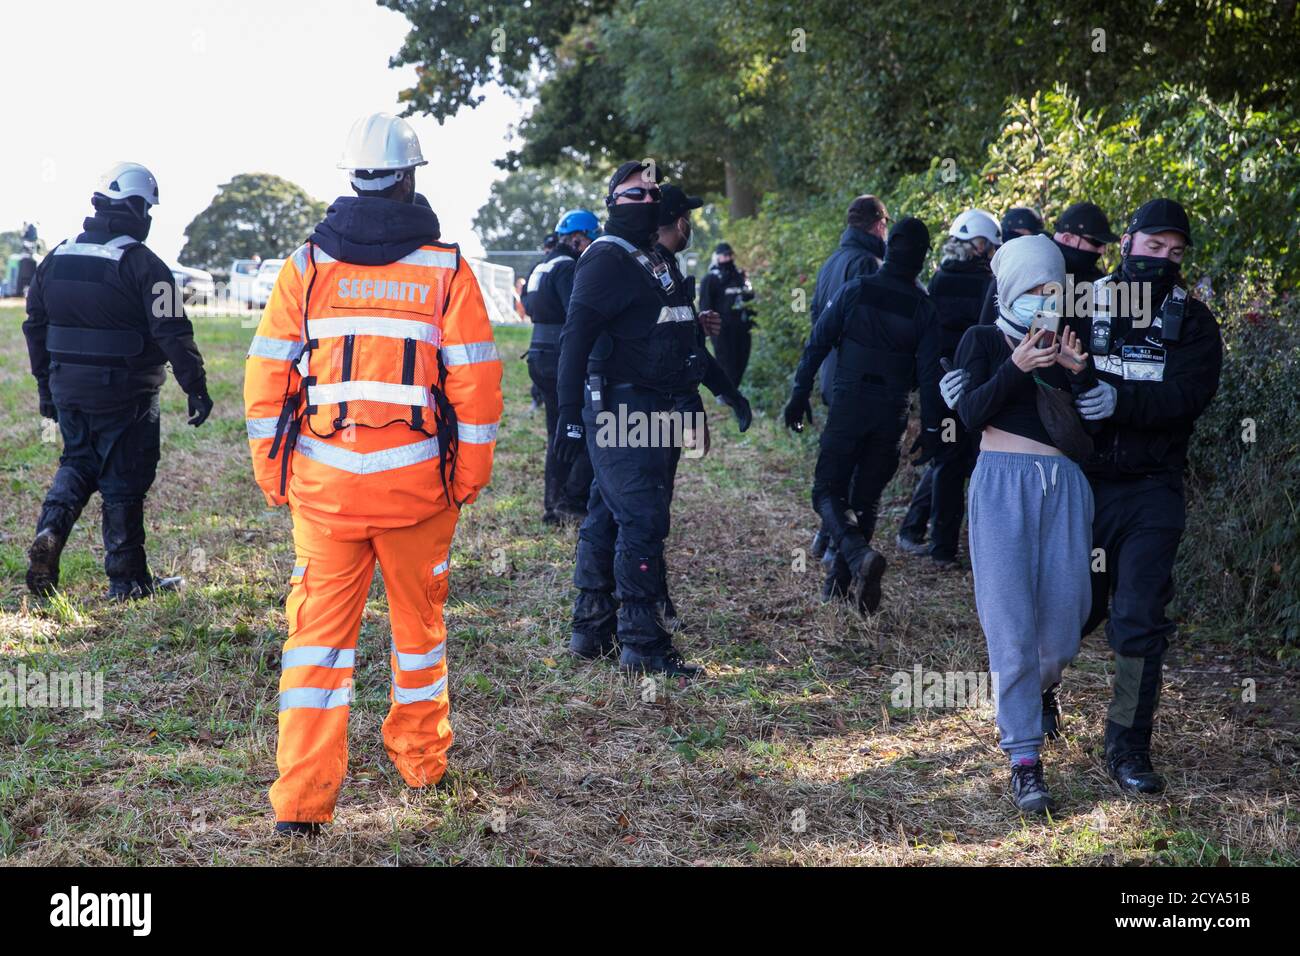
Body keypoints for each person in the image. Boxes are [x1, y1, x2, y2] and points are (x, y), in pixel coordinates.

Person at [243, 113, 503, 835]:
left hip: (324, 497)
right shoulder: (446, 269)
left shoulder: (307, 267)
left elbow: (266, 382)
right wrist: (466, 480)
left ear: (351, 178)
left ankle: (300, 806)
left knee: (317, 648)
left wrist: (275, 476)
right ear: (411, 177)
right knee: (419, 633)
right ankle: (423, 764)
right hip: (420, 495)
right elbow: (475, 390)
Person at [1075, 199, 1222, 793]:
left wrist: (1120, 403)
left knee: (1138, 619)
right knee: (1071, 611)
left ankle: (1128, 746)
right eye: (1154, 246)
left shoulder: (1194, 321)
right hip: (1081, 484)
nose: (1164, 259)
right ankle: (1040, 702)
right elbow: (1038, 360)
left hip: (1151, 492)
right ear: (1129, 241)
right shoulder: (1085, 300)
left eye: (1177, 252)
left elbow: (1188, 397)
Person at [952, 233, 1095, 814]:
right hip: (1001, 483)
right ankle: (1025, 759)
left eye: (1053, 289)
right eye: (1034, 289)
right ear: (1010, 287)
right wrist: (1015, 366)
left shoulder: (1070, 342)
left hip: (1065, 488)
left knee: (1063, 630)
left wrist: (1080, 375)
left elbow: (1095, 434)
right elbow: (968, 414)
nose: (1044, 299)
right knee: (1010, 627)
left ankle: (1030, 693)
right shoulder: (982, 339)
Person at [22, 162, 211, 600]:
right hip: (128, 397)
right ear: (136, 208)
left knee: (77, 464)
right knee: (124, 482)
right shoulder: (147, 266)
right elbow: (173, 333)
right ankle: (127, 581)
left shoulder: (56, 257)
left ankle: (50, 530)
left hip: (68, 391)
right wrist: (195, 386)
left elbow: (35, 327)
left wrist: (45, 390)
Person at [553, 162, 708, 677]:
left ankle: (591, 626)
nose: (647, 199)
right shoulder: (605, 257)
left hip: (653, 404)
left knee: (607, 512)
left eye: (653, 192)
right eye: (634, 193)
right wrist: (570, 418)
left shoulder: (651, 258)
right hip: (620, 407)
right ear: (612, 200)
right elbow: (574, 338)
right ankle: (642, 644)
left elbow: (674, 334)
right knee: (642, 518)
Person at [783, 217, 942, 611]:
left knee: (827, 491)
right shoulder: (924, 307)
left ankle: (854, 557)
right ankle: (843, 589)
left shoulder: (856, 290)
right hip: (892, 412)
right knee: (865, 500)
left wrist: (799, 393)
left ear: (889, 248)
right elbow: (929, 374)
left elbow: (816, 344)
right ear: (922, 259)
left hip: (850, 404)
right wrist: (935, 426)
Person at [653, 185, 753, 626]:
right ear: (678, 222)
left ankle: (635, 602)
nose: (690, 224)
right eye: (687, 217)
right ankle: (638, 606)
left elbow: (682, 343)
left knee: (652, 508)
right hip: (641, 411)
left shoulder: (667, 267)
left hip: (664, 407)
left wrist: (728, 393)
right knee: (642, 514)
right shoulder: (642, 265)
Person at [897, 209, 1000, 568]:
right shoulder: (989, 284)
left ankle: (937, 543)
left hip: (940, 384)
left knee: (947, 464)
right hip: (976, 384)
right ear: (981, 245)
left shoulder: (938, 278)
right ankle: (966, 547)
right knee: (973, 463)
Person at [523, 209, 600, 525]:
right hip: (560, 357)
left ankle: (552, 505)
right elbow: (576, 315)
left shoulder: (542, 265)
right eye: (589, 240)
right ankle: (571, 499)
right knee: (582, 427)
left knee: (557, 431)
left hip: (538, 355)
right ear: (579, 237)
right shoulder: (568, 267)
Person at [978, 203, 1118, 326]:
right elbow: (990, 326)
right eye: (1097, 242)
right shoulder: (1024, 261)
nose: (1102, 249)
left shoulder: (1096, 280)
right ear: (1067, 238)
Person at [808, 195, 889, 407]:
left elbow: (817, 318)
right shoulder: (870, 264)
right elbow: (875, 328)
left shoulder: (830, 262)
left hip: (833, 381)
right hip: (861, 387)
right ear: (880, 225)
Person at [699, 242, 755, 390]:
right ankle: (727, 394)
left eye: (730, 255)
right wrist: (708, 330)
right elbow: (705, 306)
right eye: (725, 255)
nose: (728, 258)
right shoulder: (710, 279)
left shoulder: (741, 276)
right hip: (722, 331)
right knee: (726, 363)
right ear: (717, 257)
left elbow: (751, 298)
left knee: (741, 360)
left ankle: (733, 391)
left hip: (742, 329)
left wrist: (752, 319)